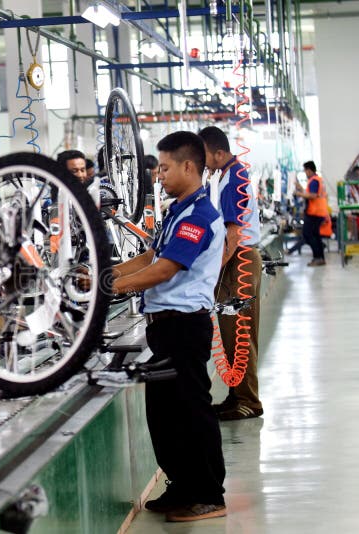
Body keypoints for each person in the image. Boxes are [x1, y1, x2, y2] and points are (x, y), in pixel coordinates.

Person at [110, 131, 227, 522]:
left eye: (163, 167)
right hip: (162, 327)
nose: (157, 175)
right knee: (164, 415)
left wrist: (112, 288)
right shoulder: (177, 210)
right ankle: (182, 486)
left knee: (192, 410)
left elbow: (165, 269)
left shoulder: (200, 216)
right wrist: (107, 273)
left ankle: (208, 493)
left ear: (188, 167)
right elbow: (151, 254)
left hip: (184, 327)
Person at [198, 126, 264, 421]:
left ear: (219, 153)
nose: (201, 160)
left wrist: (212, 270)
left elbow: (233, 234)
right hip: (239, 261)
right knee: (235, 332)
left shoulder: (233, 178)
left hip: (240, 261)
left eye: (204, 154)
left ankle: (248, 401)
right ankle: (238, 394)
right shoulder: (223, 176)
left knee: (237, 333)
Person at [294, 161, 329, 266]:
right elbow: (312, 193)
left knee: (307, 234)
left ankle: (317, 256)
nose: (305, 173)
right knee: (316, 236)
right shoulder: (317, 180)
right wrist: (302, 189)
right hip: (319, 211)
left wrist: (299, 193)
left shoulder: (314, 181)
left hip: (314, 212)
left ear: (309, 170)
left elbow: (313, 196)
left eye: (305, 171)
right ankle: (320, 257)